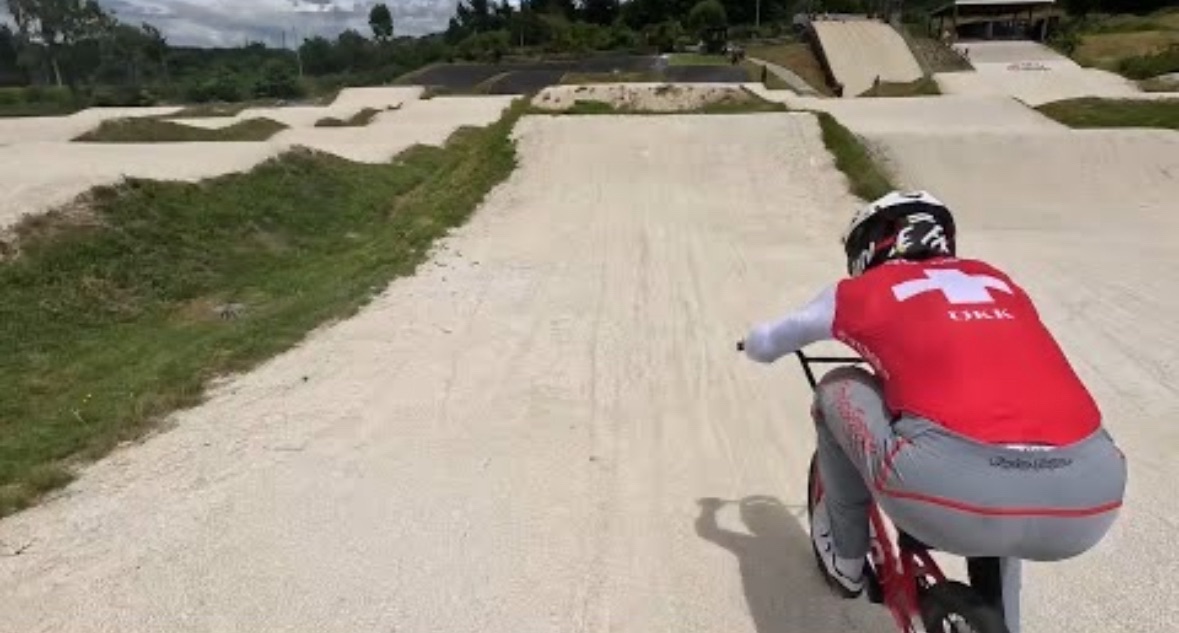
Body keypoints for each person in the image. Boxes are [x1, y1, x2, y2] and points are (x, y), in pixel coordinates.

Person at [737, 190, 1127, 633]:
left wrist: (751, 345)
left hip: (946, 493)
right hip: (1091, 497)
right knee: (1010, 430)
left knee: (835, 386)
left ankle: (845, 563)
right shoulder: (999, 281)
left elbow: (769, 342)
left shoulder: (860, 290)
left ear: (871, 244)